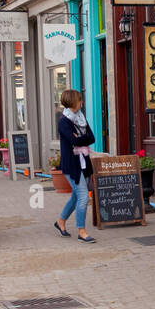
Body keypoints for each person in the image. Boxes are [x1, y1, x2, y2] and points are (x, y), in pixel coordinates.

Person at [54, 88, 96, 243]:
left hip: (84, 163)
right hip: (72, 165)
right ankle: (82, 231)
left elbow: (92, 138)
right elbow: (74, 141)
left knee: (76, 196)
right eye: (79, 100)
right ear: (72, 101)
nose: (82, 102)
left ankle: (60, 222)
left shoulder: (81, 118)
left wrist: (80, 138)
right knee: (84, 197)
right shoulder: (64, 121)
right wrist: (79, 138)